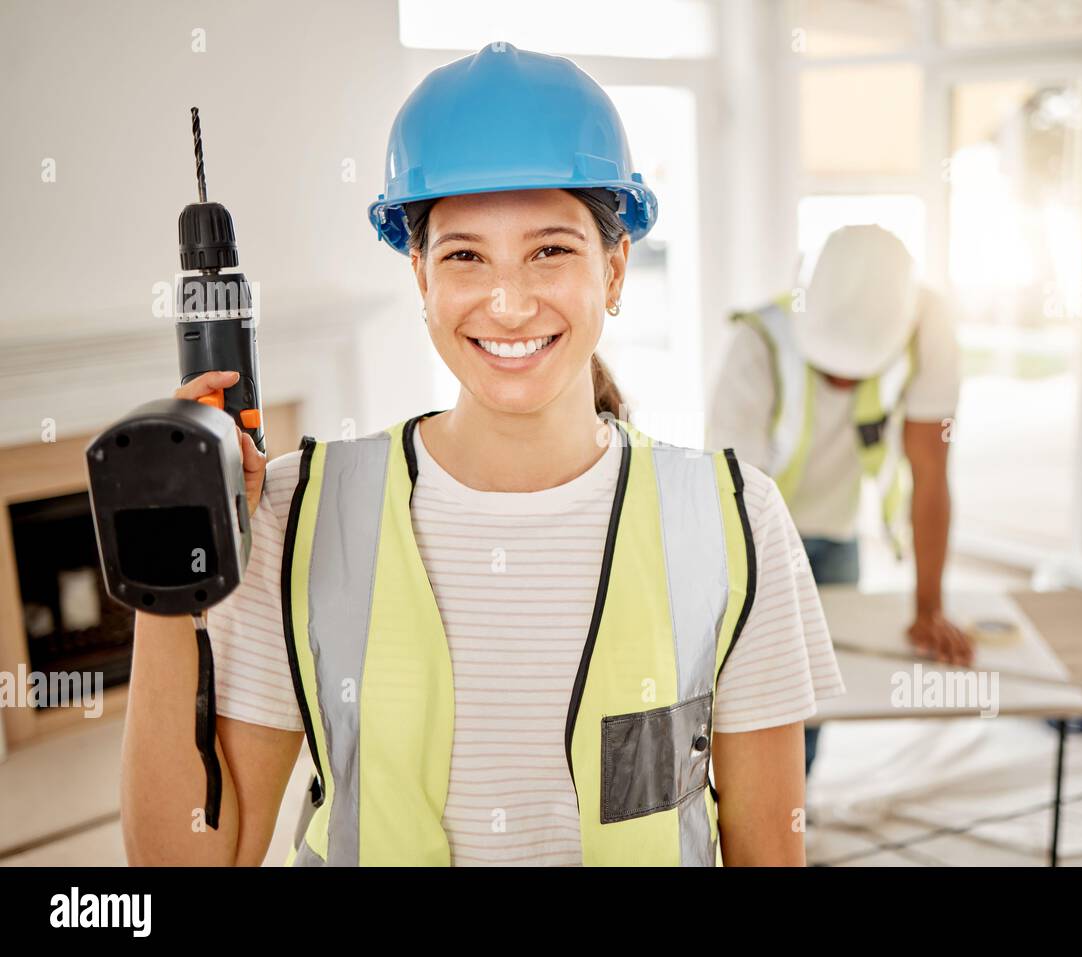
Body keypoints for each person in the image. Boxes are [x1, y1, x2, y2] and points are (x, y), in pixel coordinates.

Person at [120, 43, 844, 867]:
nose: (509, 301)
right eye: (465, 254)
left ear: (614, 269)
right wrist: (168, 583)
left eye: (551, 250)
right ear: (421, 276)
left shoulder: (733, 520)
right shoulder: (297, 513)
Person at [709, 224, 971, 777]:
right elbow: (732, 500)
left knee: (813, 700)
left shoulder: (931, 327)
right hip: (755, 532)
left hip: (837, 530)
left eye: (861, 369)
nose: (845, 381)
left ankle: (790, 824)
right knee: (758, 689)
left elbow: (930, 473)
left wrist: (929, 609)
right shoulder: (756, 344)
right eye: (832, 365)